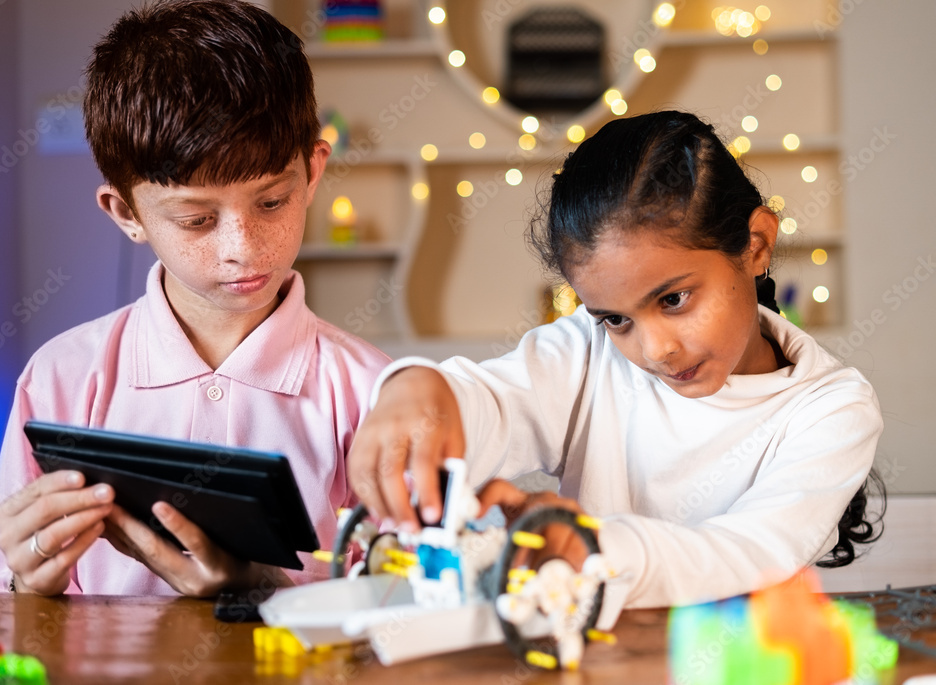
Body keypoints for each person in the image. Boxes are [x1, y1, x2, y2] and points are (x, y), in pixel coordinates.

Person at [347, 111, 884, 628]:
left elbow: (750, 553)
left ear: (755, 244)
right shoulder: (585, 353)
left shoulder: (832, 408)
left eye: (673, 299)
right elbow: (493, 400)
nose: (655, 350)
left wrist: (593, 547)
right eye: (615, 319)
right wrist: (419, 388)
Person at [0, 0, 390, 597]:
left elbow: (402, 612)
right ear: (127, 214)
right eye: (196, 220)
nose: (242, 248)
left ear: (313, 170)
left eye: (271, 202)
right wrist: (22, 585)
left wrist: (260, 588)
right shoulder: (61, 380)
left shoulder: (370, 392)